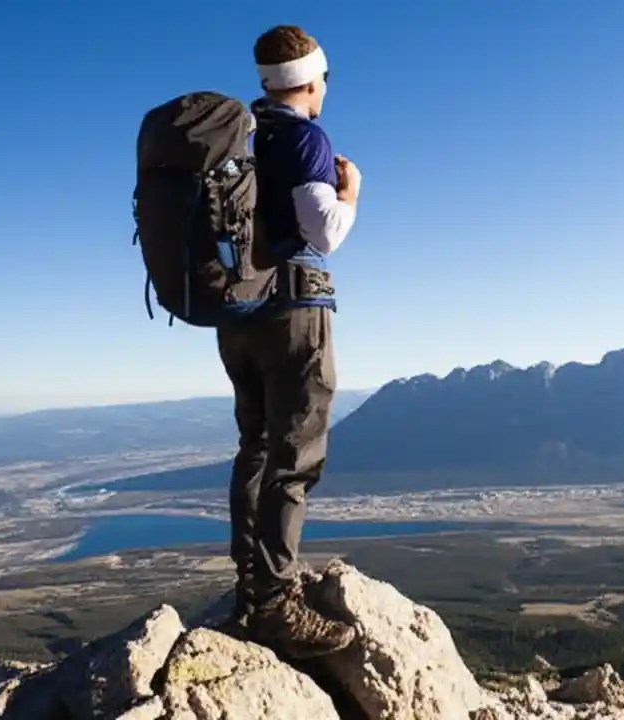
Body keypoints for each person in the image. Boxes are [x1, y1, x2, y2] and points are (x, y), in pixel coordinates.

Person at [216, 24, 363, 658]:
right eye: (325, 78)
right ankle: (276, 604)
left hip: (237, 314)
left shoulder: (245, 141)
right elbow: (322, 230)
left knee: (254, 445)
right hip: (294, 310)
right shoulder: (304, 136)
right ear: (309, 79)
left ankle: (254, 585)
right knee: (295, 456)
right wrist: (353, 192)